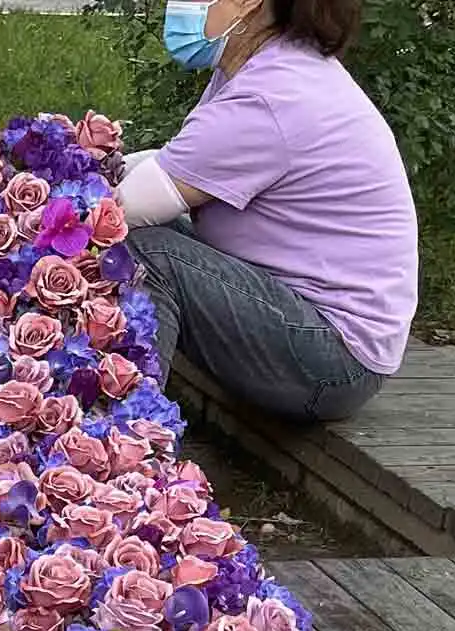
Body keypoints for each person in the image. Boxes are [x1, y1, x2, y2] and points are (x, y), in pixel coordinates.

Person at [117, 0, 417, 422]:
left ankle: (128, 438)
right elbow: (177, 164)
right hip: (306, 320)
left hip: (332, 359)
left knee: (142, 251)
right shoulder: (265, 66)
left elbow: (123, 210)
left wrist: (29, 199)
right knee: (152, 236)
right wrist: (82, 160)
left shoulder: (271, 96)